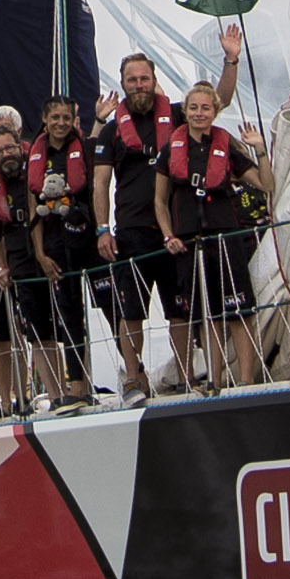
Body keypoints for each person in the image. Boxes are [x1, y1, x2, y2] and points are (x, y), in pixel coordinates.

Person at [155, 78, 269, 392]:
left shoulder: (227, 146)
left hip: (226, 237)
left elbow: (266, 185)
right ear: (186, 112)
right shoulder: (171, 150)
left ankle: (245, 378)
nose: (199, 113)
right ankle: (215, 380)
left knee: (240, 310)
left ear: (215, 112)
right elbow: (159, 202)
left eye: (205, 108)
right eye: (193, 108)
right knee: (208, 314)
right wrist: (168, 236)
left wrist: (260, 150)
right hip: (190, 242)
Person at [88, 52, 184, 400]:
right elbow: (100, 183)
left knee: (180, 311)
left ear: (154, 80)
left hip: (175, 230)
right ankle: (132, 378)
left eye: (144, 79)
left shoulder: (176, 115)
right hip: (131, 231)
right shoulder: (113, 130)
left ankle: (185, 375)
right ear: (123, 84)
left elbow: (219, 98)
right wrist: (103, 228)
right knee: (131, 313)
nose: (139, 85)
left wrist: (230, 61)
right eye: (132, 80)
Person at [0, 104, 51, 417]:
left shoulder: (35, 166)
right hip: (7, 265)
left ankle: (55, 393)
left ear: (20, 138)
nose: (5, 152)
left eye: (9, 145)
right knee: (3, 336)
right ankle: (1, 402)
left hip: (38, 261)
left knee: (44, 333)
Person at [31, 93, 98, 410]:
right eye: (54, 117)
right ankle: (77, 385)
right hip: (57, 246)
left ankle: (133, 377)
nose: (60, 123)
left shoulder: (85, 148)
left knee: (113, 309)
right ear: (45, 119)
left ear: (75, 120)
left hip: (88, 239)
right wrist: (41, 255)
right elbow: (34, 213)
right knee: (70, 317)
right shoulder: (37, 154)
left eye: (66, 118)